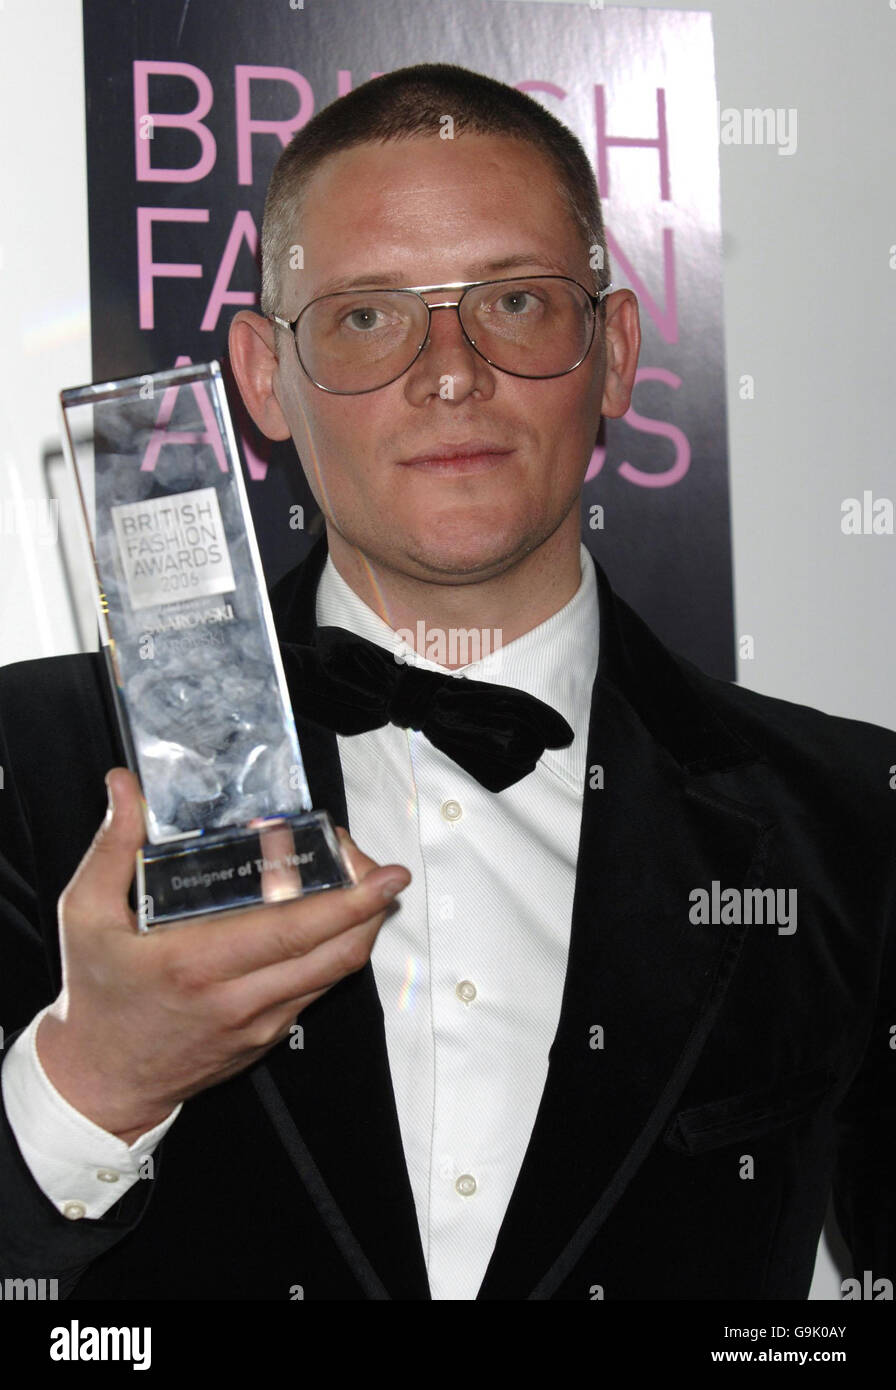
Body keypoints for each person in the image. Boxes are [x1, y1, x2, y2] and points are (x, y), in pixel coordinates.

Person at [0, 62, 893, 1303]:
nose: (451, 372)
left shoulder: (851, 817)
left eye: (516, 302)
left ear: (614, 350)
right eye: (366, 316)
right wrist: (96, 1082)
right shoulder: (32, 766)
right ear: (263, 378)